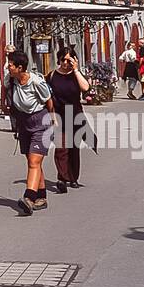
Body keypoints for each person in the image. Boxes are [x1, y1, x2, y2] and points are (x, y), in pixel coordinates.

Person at [4, 50, 54, 216]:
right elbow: (6, 89)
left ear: (20, 67)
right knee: (33, 161)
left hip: (41, 121)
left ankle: (29, 197)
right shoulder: (11, 79)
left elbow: (48, 100)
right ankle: (42, 197)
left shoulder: (36, 81)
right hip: (23, 122)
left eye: (10, 65)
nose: (8, 67)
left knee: (34, 160)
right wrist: (5, 104)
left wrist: (52, 118)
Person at [48, 47, 95, 192]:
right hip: (59, 116)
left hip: (75, 115)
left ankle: (73, 178)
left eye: (69, 60)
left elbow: (86, 87)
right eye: (63, 59)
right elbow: (47, 98)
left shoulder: (76, 75)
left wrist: (76, 69)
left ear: (74, 60)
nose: (65, 63)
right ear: (59, 60)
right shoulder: (51, 76)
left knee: (74, 149)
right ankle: (62, 179)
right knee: (61, 148)